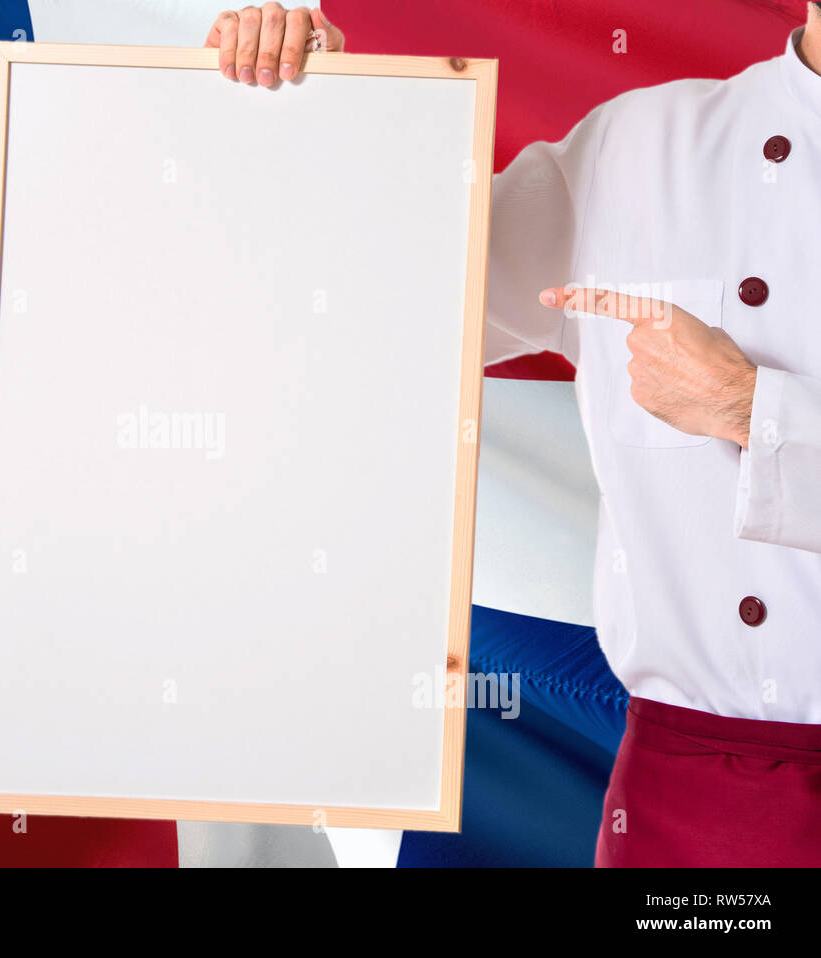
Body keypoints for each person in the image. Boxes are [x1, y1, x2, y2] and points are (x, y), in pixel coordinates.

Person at [205, 3, 821, 866]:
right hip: (686, 803)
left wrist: (750, 411)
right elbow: (398, 303)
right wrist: (326, 111)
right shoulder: (636, 146)